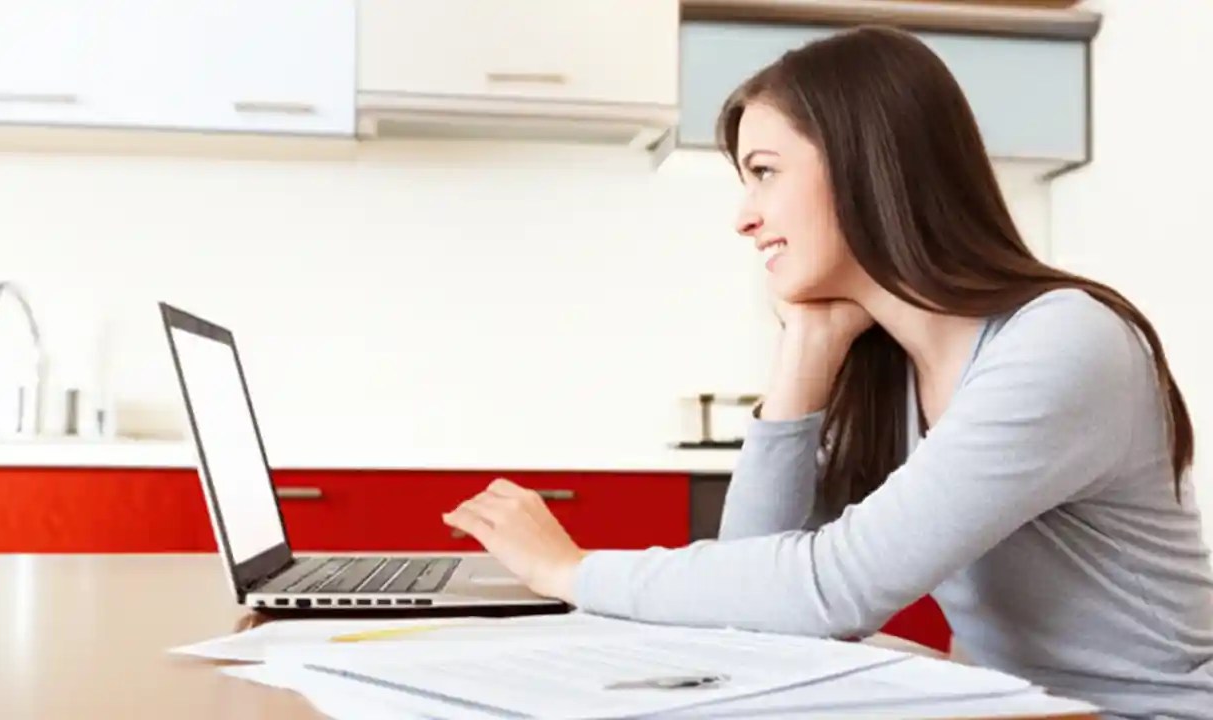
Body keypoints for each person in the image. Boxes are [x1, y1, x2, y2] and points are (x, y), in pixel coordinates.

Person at [442, 26, 1213, 718]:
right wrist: (806, 352)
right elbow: (754, 602)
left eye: (764, 172)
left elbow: (830, 589)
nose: (743, 216)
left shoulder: (1062, 340)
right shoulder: (898, 368)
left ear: (867, 167)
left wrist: (570, 570)